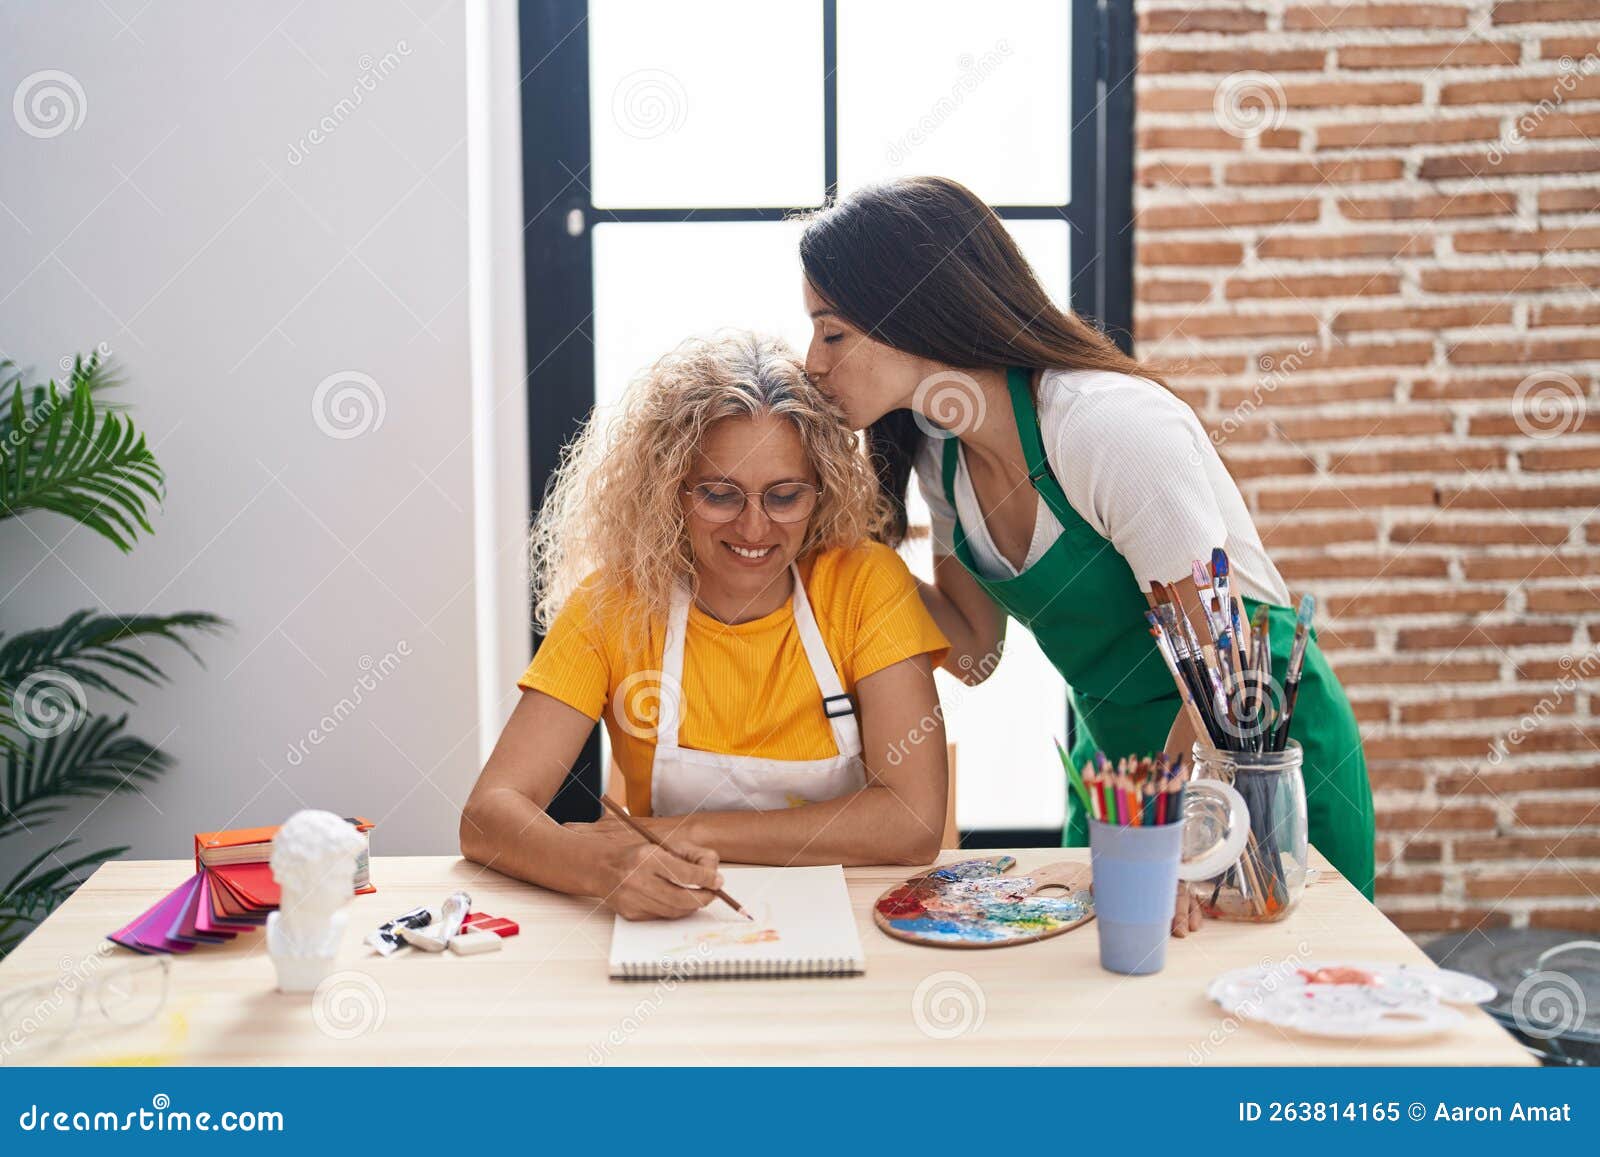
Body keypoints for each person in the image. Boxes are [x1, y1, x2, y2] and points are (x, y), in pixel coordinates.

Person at [798, 176, 1375, 910]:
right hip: (1123, 767)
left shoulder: (1107, 426)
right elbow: (975, 649)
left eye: (832, 329)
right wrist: (839, 552)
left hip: (1251, 749)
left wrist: (1173, 838)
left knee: (1273, 989)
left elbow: (1223, 674)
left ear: (917, 311)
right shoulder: (942, 454)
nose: (812, 360)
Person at [460, 332, 950, 920]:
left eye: (784, 495)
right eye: (720, 494)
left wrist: (662, 832)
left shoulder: (865, 585)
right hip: (673, 921)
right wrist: (604, 868)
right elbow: (487, 815)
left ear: (819, 493)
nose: (753, 528)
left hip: (852, 921)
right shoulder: (613, 606)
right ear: (671, 491)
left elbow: (913, 822)